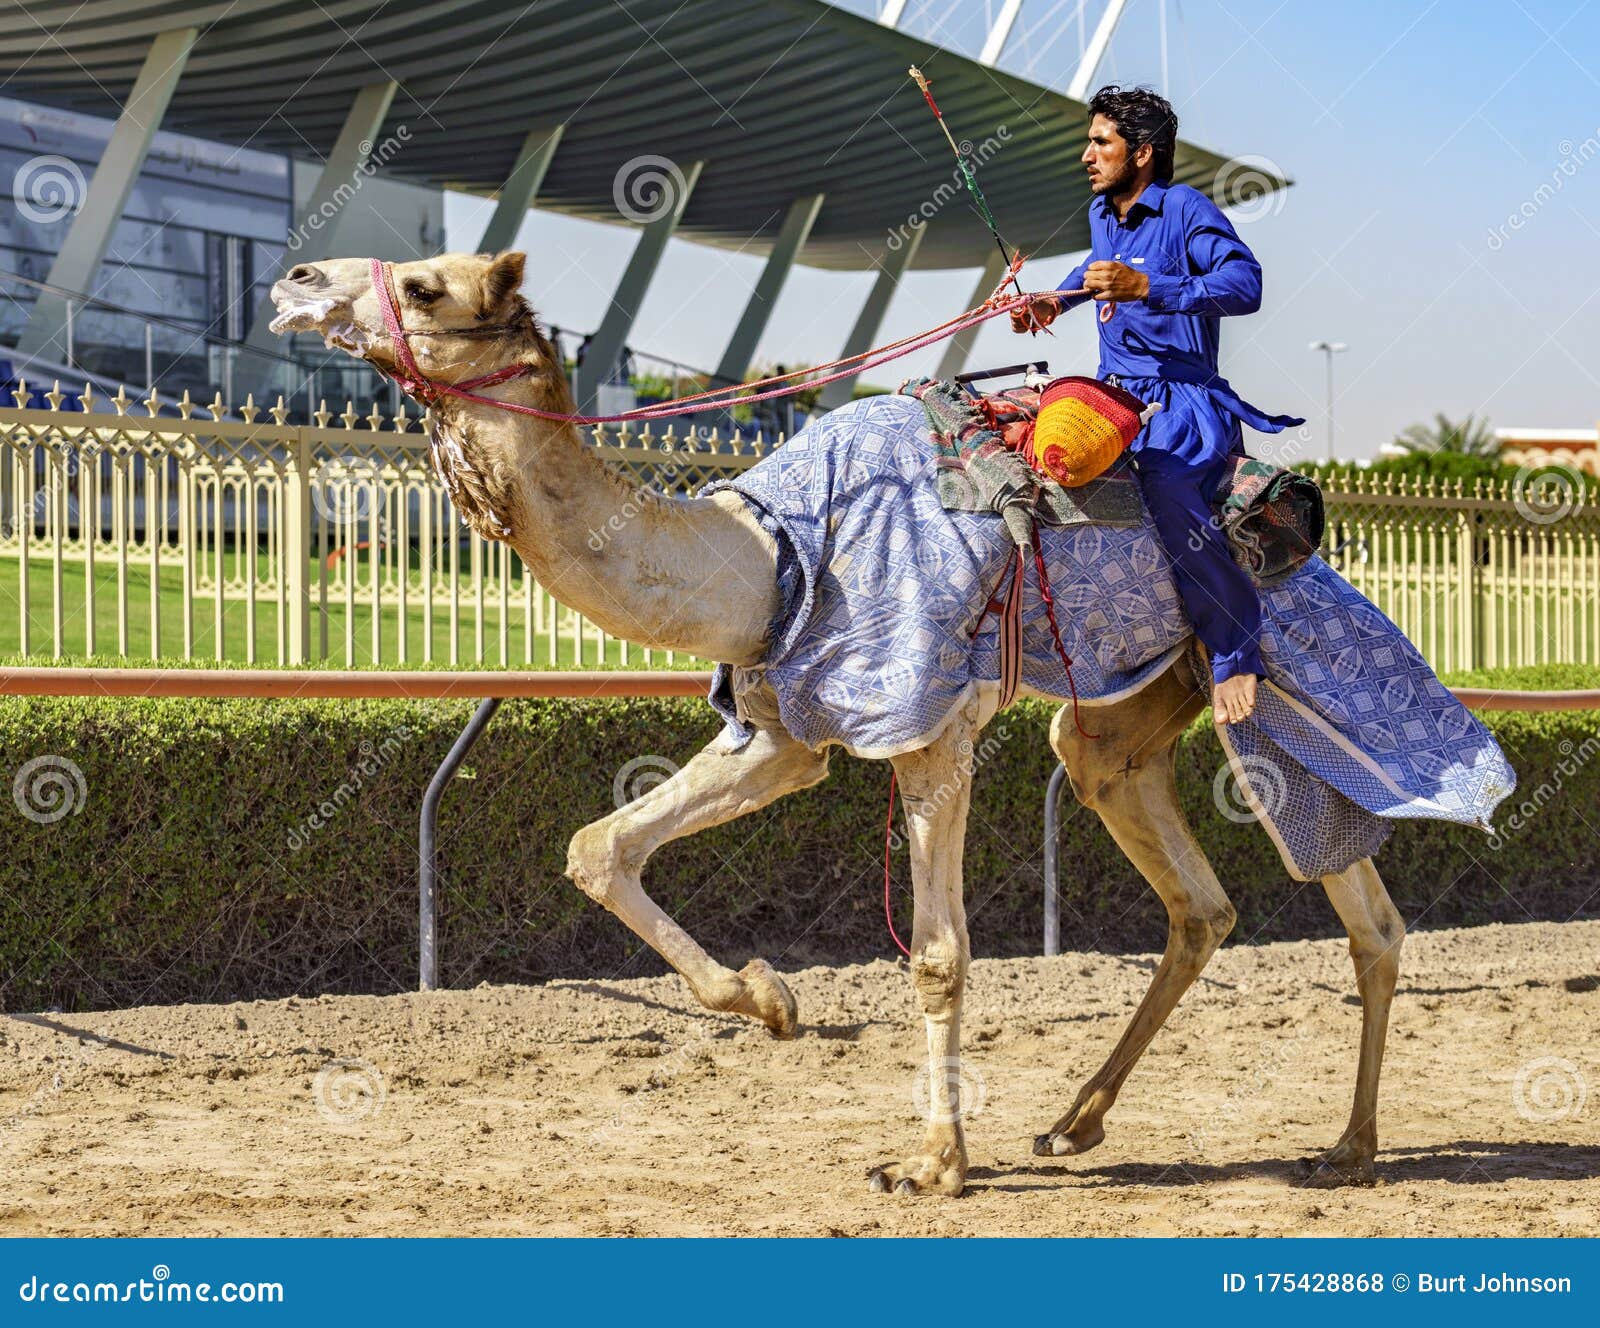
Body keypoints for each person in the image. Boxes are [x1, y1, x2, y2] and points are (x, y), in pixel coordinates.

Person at [1011, 85, 1302, 725]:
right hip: (1113, 393)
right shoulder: (1102, 214)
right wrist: (1056, 302)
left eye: (1100, 142)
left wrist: (1150, 285)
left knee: (1171, 495)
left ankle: (1232, 648)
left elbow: (1245, 284)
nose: (1086, 154)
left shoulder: (1187, 208)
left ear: (1141, 153)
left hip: (1184, 403)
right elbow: (1098, 265)